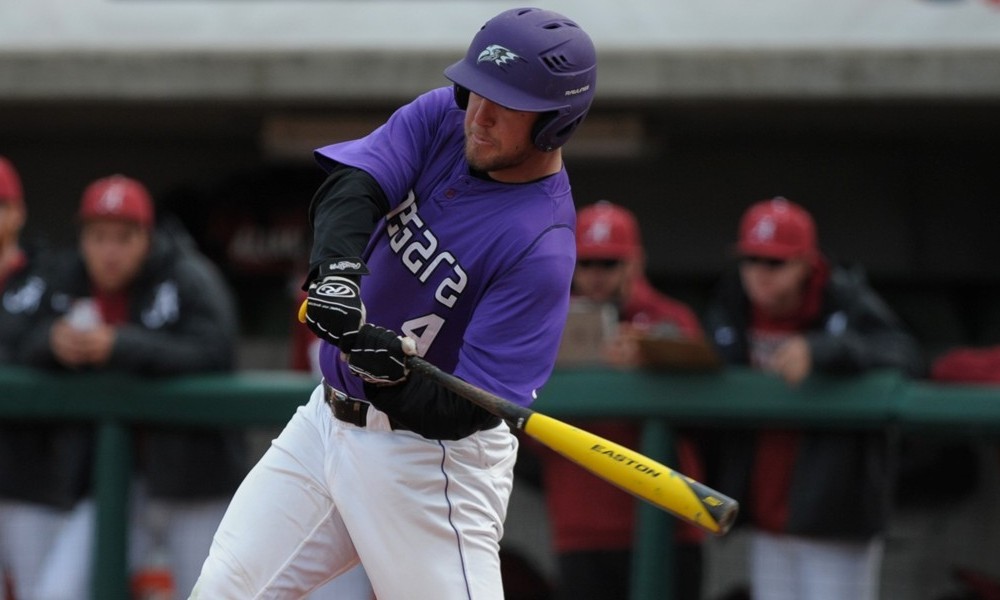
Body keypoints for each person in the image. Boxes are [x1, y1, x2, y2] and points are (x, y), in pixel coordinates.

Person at [190, 7, 597, 599]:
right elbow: (353, 185)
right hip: (324, 425)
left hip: (431, 467)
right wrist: (336, 276)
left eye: (505, 104)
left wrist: (390, 375)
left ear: (556, 123)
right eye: (476, 92)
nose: (479, 117)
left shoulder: (541, 246)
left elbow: (471, 409)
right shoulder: (442, 118)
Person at [18, 174, 246, 598]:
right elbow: (16, 338)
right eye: (98, 237)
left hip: (194, 483)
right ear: (82, 237)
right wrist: (51, 342)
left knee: (214, 594)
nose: (109, 251)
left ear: (146, 237)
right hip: (113, 480)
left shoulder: (187, 275)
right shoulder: (65, 276)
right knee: (58, 592)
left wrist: (121, 345)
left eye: (123, 238)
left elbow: (215, 351)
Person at [701, 196, 924, 600]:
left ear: (806, 262)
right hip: (767, 513)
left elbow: (906, 355)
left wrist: (822, 350)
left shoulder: (843, 298)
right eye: (751, 260)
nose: (760, 274)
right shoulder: (732, 301)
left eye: (775, 262)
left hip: (834, 518)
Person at [532, 200, 707, 600]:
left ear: (635, 263)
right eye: (588, 263)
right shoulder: (547, 322)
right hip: (581, 525)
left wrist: (653, 363)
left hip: (666, 523)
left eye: (610, 263)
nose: (596, 276)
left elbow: (709, 413)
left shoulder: (670, 318)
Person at [0, 156, 69, 600]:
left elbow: (49, 348)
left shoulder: (49, 272)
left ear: (19, 211)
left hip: (32, 471)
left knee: (41, 592)